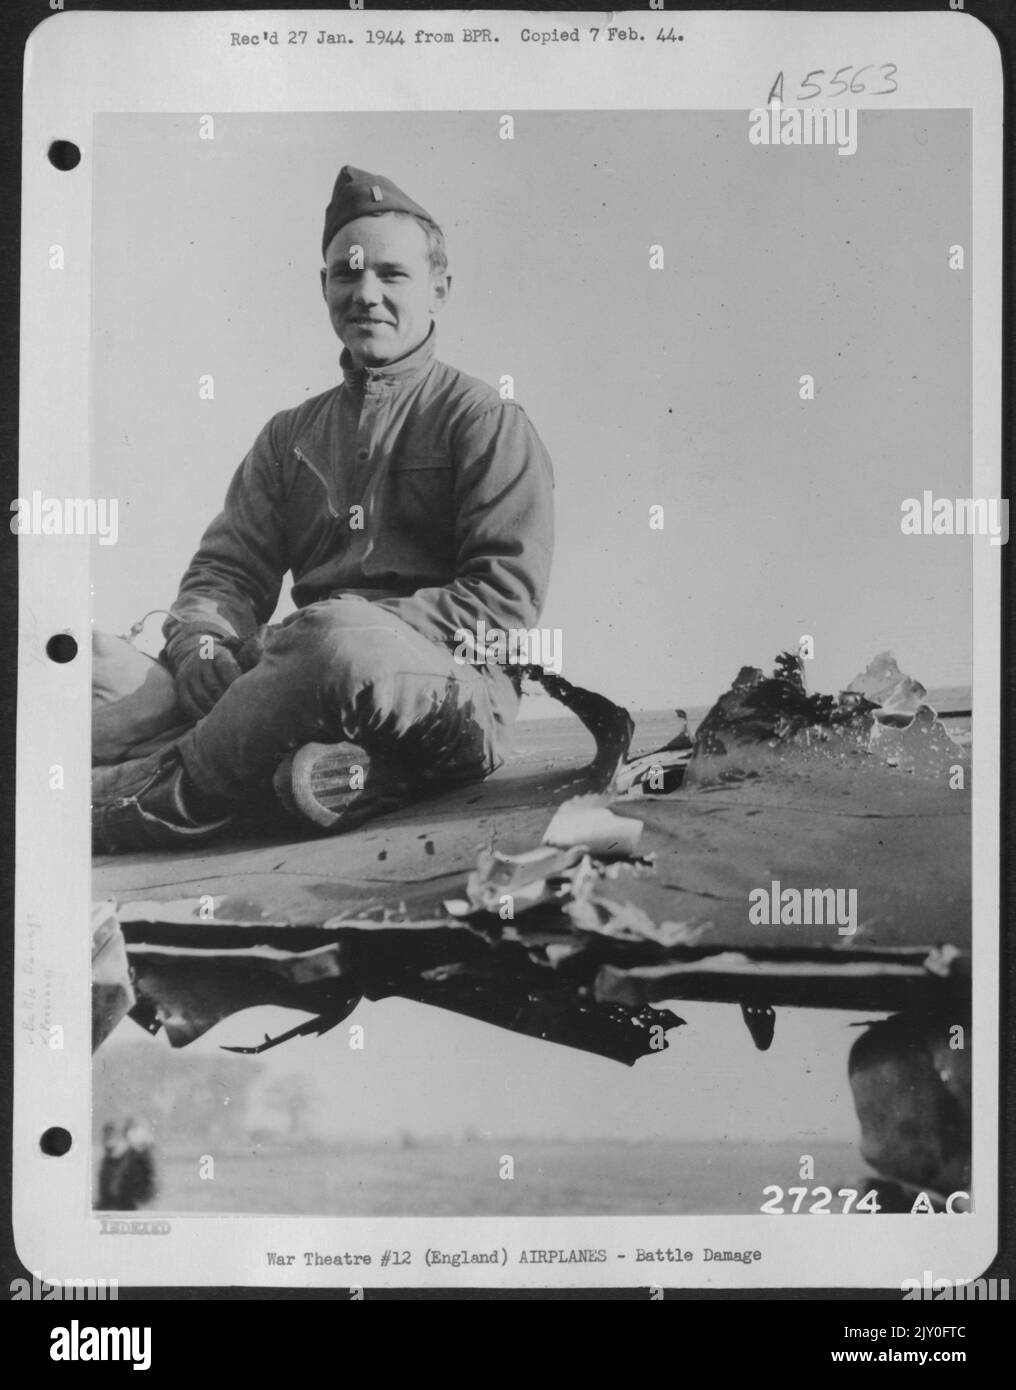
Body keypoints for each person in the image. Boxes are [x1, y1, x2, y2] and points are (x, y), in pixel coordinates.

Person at [93, 166, 554, 852]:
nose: (366, 294)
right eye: (348, 274)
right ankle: (307, 777)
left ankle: (147, 799)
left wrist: (309, 637)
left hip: (447, 696)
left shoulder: (485, 421)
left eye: (392, 274)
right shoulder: (289, 437)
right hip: (285, 678)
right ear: (324, 285)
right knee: (84, 663)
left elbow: (502, 604)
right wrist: (203, 645)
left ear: (439, 288)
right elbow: (225, 572)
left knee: (341, 640)